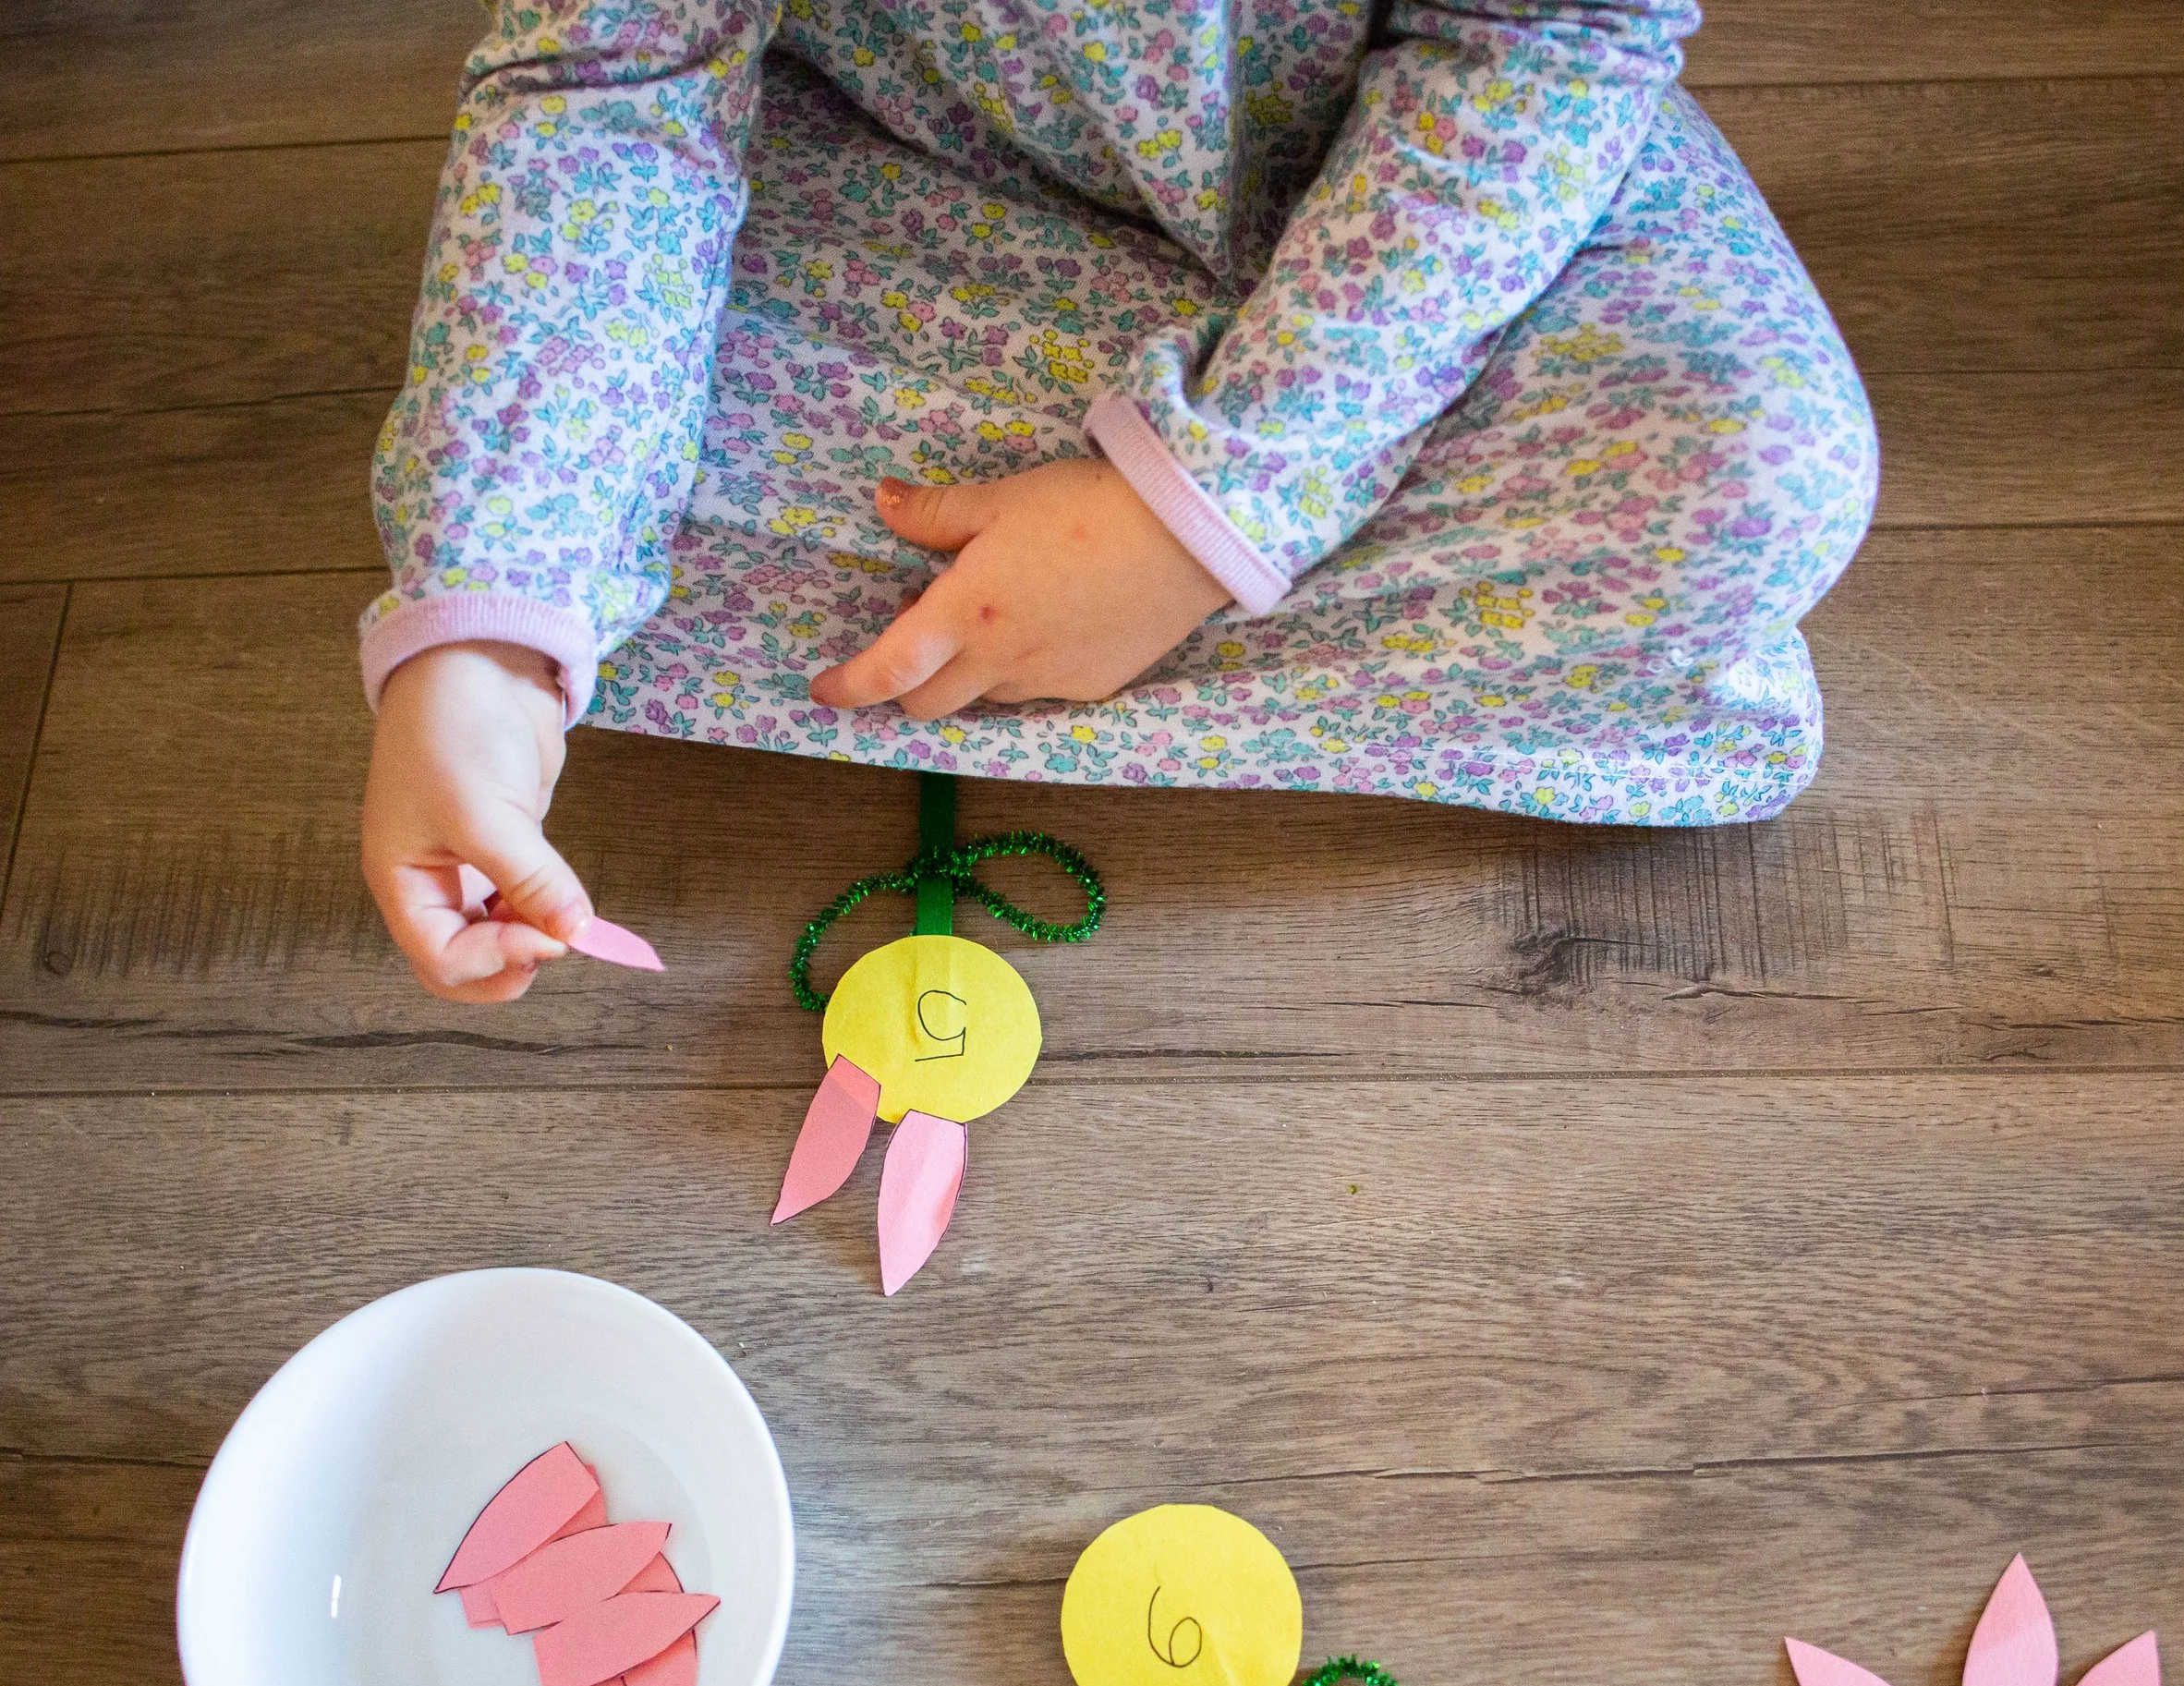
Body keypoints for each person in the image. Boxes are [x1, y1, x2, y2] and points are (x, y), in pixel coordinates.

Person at [359, 0, 1876, 1002]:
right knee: (549, 528)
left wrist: (1208, 505)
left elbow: (1542, 52)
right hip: (917, 193)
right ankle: (1081, 603)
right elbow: (611, 90)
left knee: (1749, 479)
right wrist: (489, 643)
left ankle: (1090, 596)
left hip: (1416, 196)